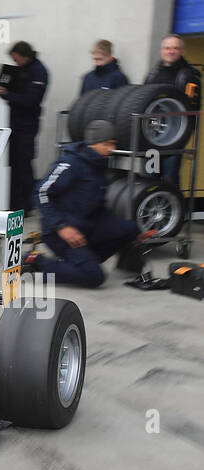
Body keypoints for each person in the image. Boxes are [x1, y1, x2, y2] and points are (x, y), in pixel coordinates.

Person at [28, 120, 138, 287]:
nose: (111, 149)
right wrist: (61, 227)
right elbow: (41, 192)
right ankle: (38, 263)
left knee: (131, 229)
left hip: (89, 225)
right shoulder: (70, 164)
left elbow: (97, 204)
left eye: (113, 144)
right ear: (93, 144)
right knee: (95, 277)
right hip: (61, 231)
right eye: (106, 144)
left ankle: (83, 261)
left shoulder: (99, 163)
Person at [0, 41, 49, 214]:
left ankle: (25, 204)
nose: (16, 63)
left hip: (26, 125)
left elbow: (31, 100)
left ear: (25, 56)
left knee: (23, 164)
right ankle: (16, 202)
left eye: (17, 60)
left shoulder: (38, 71)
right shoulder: (22, 70)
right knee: (14, 165)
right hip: (14, 123)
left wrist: (7, 94)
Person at [145, 34, 201, 189]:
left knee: (169, 178)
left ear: (182, 51)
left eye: (175, 48)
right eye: (167, 48)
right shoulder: (153, 73)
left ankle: (172, 211)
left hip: (175, 137)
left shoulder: (190, 75)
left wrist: (183, 133)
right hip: (152, 135)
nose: (171, 51)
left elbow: (192, 106)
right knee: (150, 175)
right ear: (162, 50)